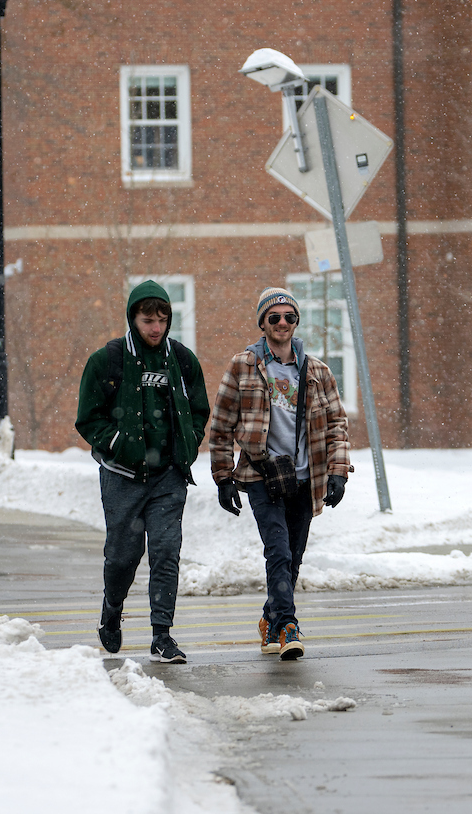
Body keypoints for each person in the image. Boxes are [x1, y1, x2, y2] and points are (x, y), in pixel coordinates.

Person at [209, 287, 351, 660]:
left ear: (296, 321)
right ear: (263, 323)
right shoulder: (243, 365)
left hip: (305, 478)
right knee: (278, 552)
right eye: (274, 317)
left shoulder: (317, 370)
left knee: (295, 556)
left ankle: (269, 618)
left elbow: (337, 423)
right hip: (261, 476)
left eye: (289, 317)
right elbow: (221, 425)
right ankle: (288, 625)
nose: (283, 323)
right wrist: (223, 476)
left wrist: (338, 473)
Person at [75, 280, 210, 663]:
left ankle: (162, 635)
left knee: (167, 554)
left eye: (162, 319)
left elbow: (199, 409)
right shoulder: (109, 360)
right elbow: (88, 419)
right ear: (133, 318)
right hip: (123, 477)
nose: (156, 327)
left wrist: (188, 441)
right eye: (148, 319)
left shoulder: (182, 360)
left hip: (168, 476)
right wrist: (119, 444)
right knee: (123, 556)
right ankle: (112, 611)